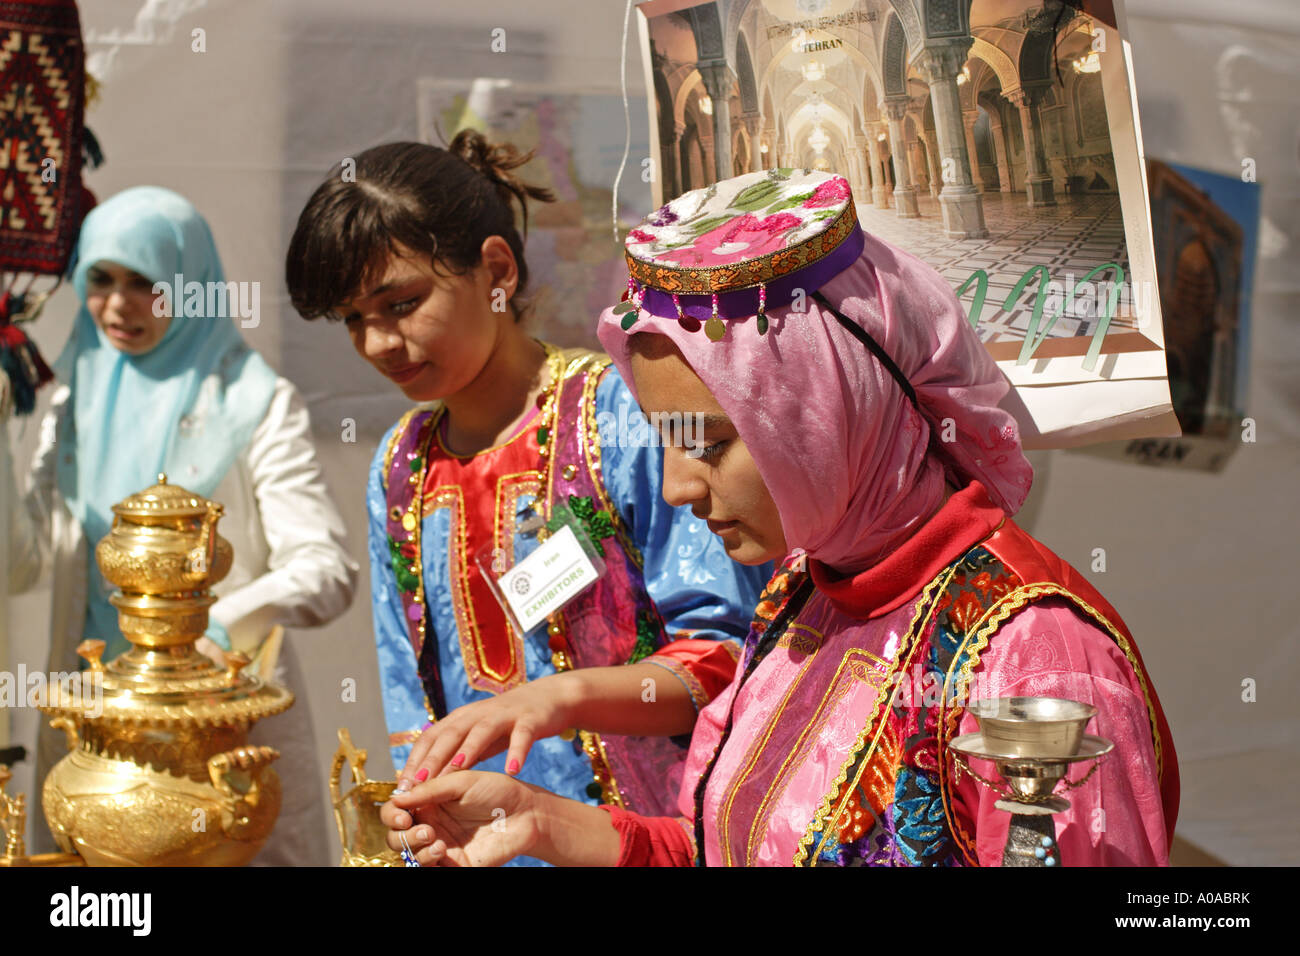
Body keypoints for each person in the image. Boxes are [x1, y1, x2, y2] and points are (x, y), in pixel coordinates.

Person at [380, 169, 1179, 867]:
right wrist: (543, 822)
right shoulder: (804, 593)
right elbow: (717, 849)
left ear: (828, 412)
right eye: (666, 443)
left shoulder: (1032, 660)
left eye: (711, 442)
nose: (676, 491)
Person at [285, 132, 769, 862]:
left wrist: (555, 699)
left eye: (401, 303)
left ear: (496, 271)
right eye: (354, 319)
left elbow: (727, 655)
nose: (379, 343)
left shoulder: (620, 419)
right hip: (478, 846)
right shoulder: (399, 465)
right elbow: (407, 696)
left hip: (648, 840)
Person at [14, 186, 358, 865]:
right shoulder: (71, 404)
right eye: (100, 280)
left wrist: (210, 635)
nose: (117, 306)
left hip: (219, 735)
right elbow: (20, 558)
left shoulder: (254, 402)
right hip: (96, 734)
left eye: (145, 283)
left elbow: (325, 569)